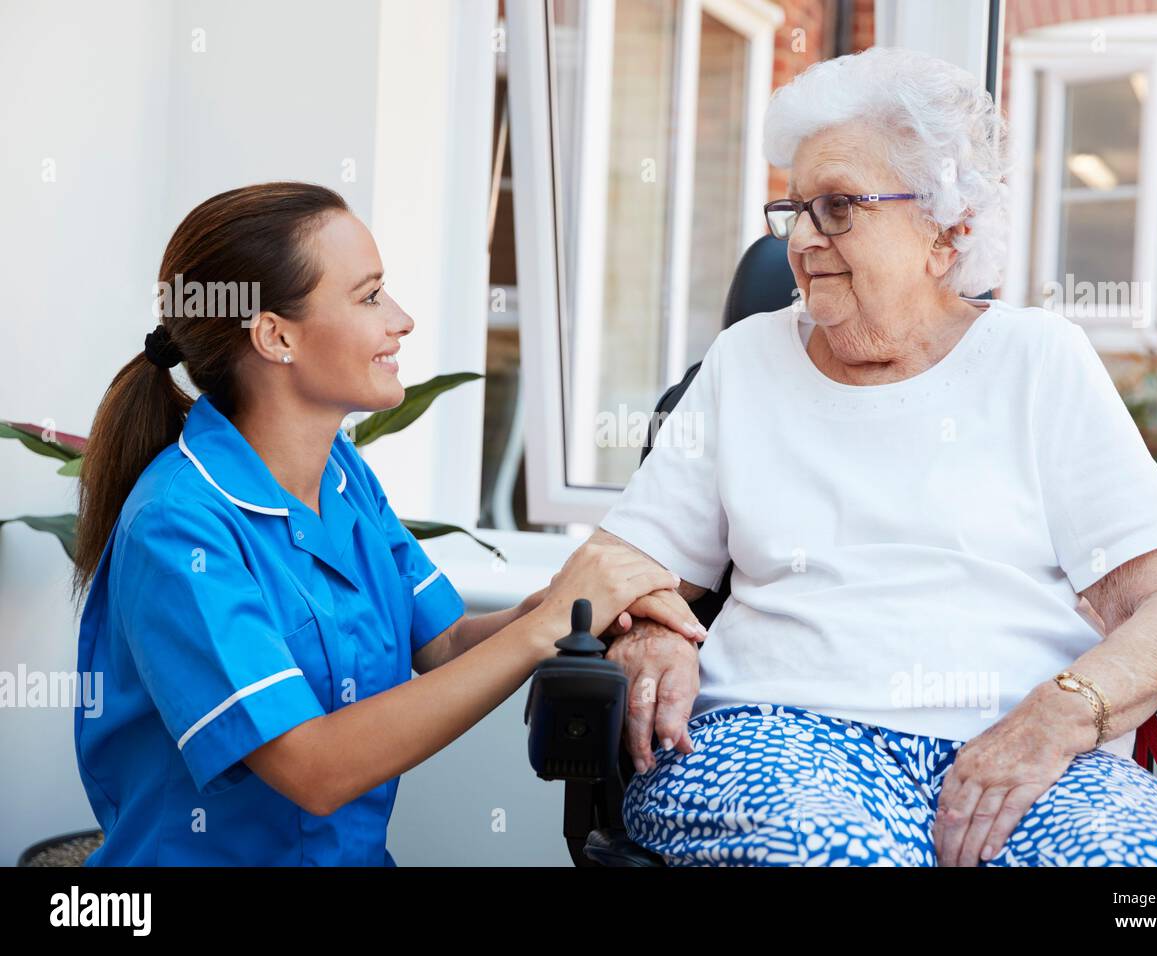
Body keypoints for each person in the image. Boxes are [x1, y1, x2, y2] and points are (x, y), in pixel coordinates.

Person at [591, 47, 1157, 866]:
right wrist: (646, 634)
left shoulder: (1037, 360)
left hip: (1027, 741)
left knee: (1134, 867)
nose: (802, 241)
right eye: (793, 208)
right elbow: (621, 569)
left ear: (949, 229)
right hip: (780, 735)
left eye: (836, 207)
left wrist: (1062, 713)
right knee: (834, 853)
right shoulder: (745, 361)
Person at [72, 182, 706, 865]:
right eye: (370, 296)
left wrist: (575, 604)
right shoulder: (179, 527)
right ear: (275, 334)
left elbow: (447, 643)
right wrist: (545, 628)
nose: (400, 320)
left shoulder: (341, 475)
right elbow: (314, 769)